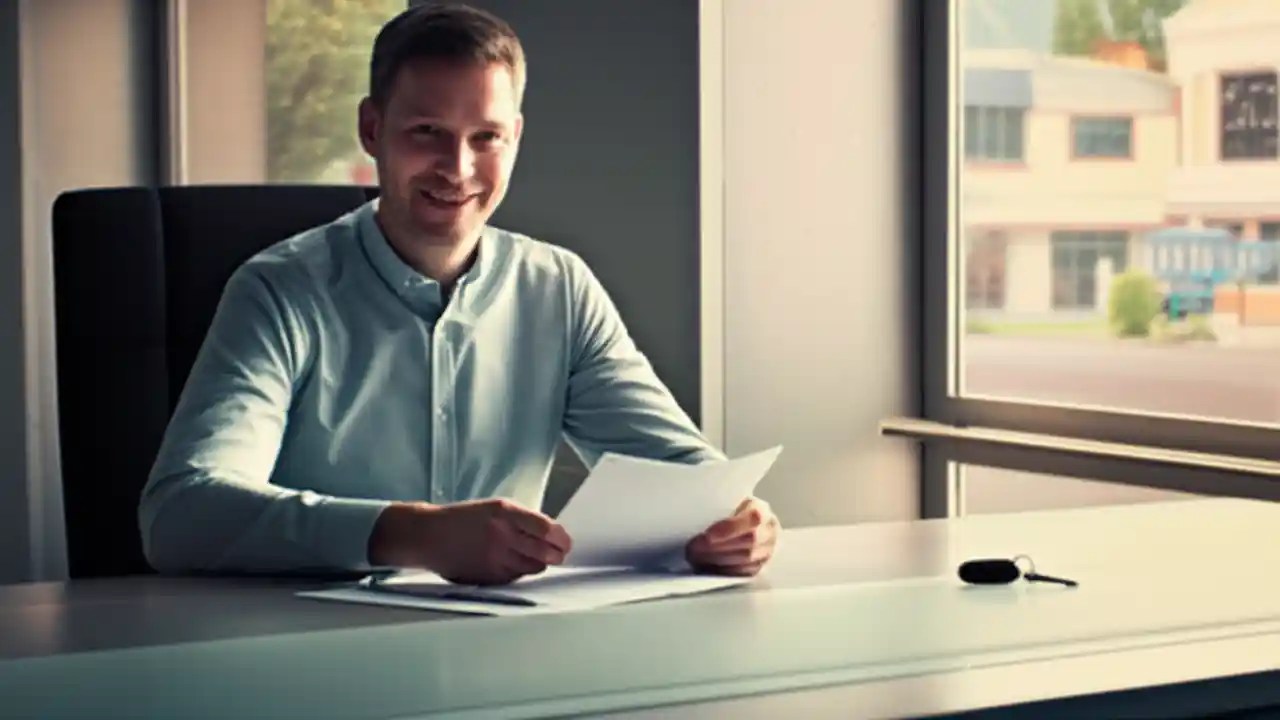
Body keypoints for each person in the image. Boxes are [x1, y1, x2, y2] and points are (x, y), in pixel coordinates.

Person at [138, 2, 779, 586]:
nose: (458, 168)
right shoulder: (279, 291)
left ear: (515, 137)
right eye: (427, 131)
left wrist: (736, 519)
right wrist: (413, 534)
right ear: (371, 129)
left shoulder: (559, 289)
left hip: (505, 651)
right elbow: (179, 515)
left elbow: (686, 475)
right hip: (306, 649)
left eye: (486, 137)